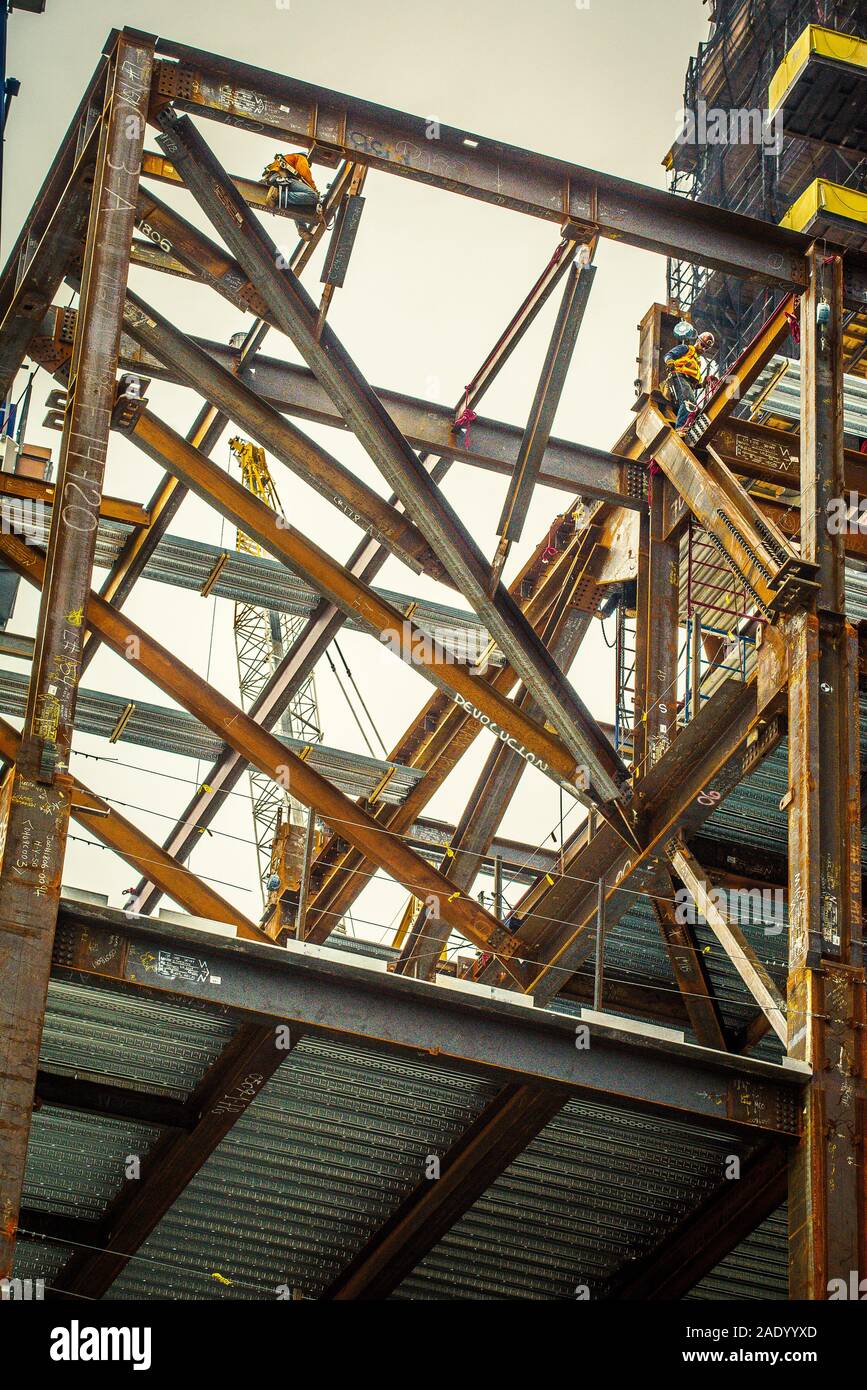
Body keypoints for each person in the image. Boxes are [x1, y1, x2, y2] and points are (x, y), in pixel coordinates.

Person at [664, 330, 716, 430]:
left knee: (692, 404)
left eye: (706, 348)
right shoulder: (686, 349)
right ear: (697, 341)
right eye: (702, 345)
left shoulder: (697, 362)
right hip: (678, 376)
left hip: (686, 382)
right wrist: (670, 362)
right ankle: (681, 427)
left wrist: (703, 383)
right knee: (689, 401)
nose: (703, 348)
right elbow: (668, 355)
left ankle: (685, 427)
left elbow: (694, 385)